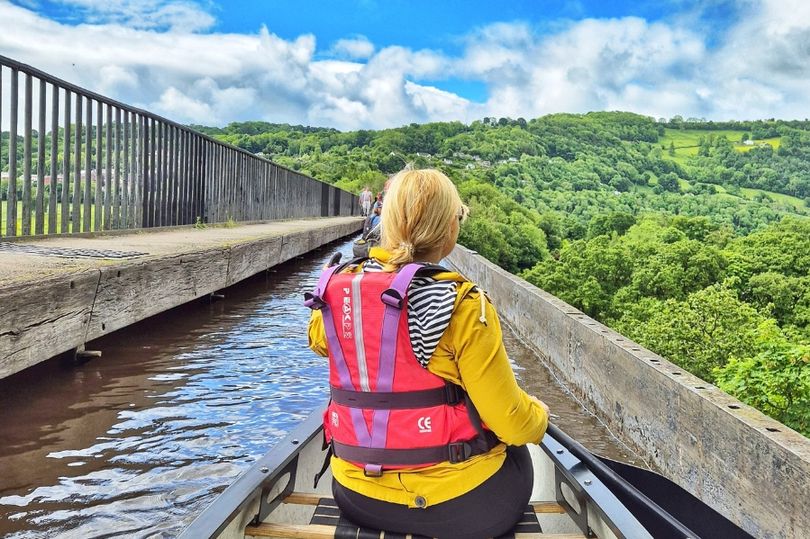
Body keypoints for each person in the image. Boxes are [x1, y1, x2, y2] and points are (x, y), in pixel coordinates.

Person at [306, 168, 549, 539]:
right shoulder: (463, 305)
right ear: (449, 230)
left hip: (356, 496)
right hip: (461, 508)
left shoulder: (341, 294)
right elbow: (511, 423)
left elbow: (320, 340)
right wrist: (539, 416)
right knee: (519, 453)